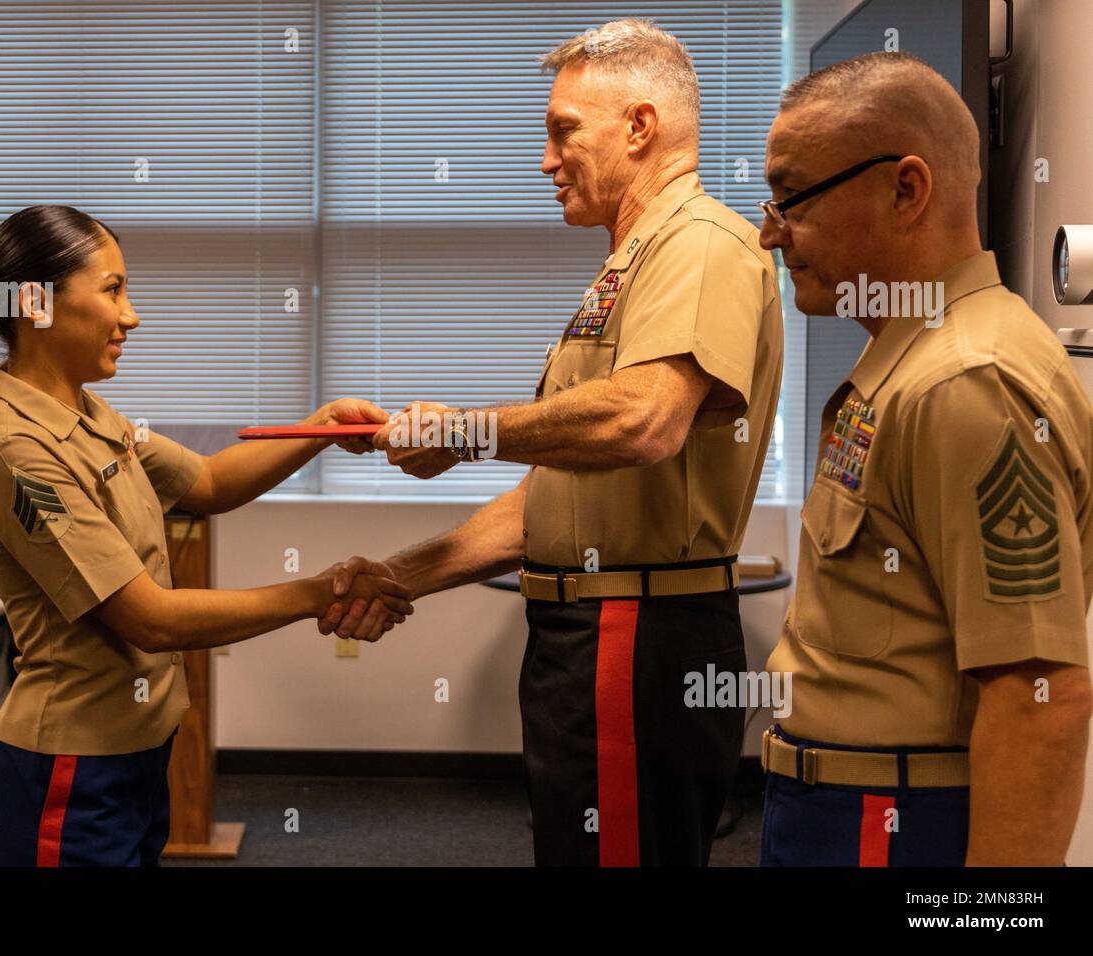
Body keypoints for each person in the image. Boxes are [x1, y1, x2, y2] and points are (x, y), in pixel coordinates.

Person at [323, 19, 783, 866]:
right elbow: (563, 498)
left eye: (563, 130)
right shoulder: (631, 263)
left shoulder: (701, 245)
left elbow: (643, 420)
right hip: (591, 632)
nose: (545, 160)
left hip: (636, 634)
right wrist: (402, 576)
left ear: (640, 127)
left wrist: (461, 430)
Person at [0, 205, 412, 866]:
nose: (131, 315)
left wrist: (325, 425)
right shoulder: (17, 451)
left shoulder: (87, 413)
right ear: (36, 305)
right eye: (112, 290)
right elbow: (152, 619)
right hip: (66, 772)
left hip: (135, 756)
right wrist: (321, 592)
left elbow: (207, 482)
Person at [757, 51, 1092, 866]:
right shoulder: (918, 361)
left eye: (792, 197)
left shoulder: (968, 383)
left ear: (907, 189)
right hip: (842, 809)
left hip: (892, 826)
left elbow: (1038, 697)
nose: (770, 230)